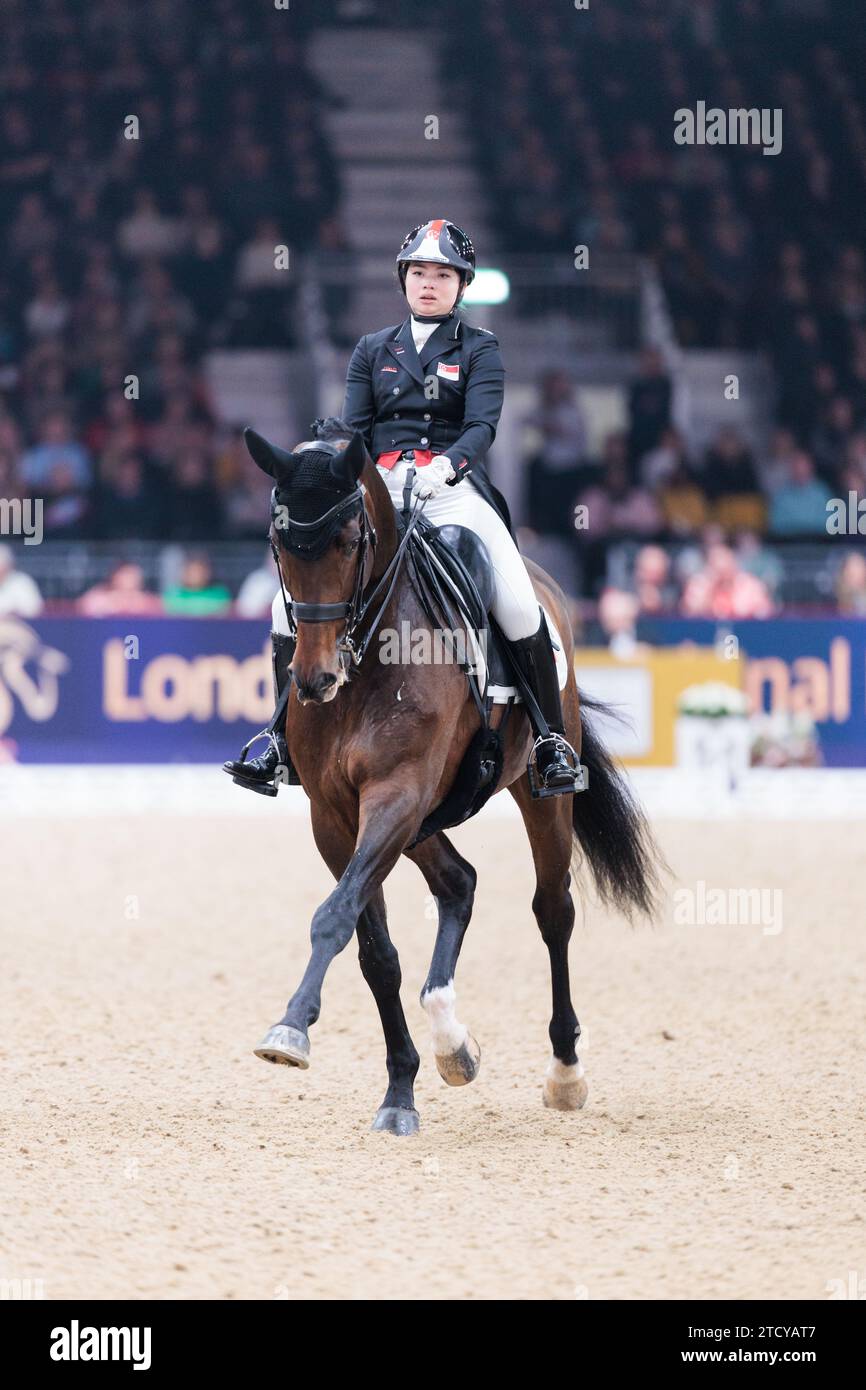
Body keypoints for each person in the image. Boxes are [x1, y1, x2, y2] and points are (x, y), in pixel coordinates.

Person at [224, 218, 582, 797]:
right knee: (279, 606)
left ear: (460, 286)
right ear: (404, 280)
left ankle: (549, 739)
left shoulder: (480, 349)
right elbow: (356, 432)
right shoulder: (372, 350)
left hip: (453, 489)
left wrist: (446, 467)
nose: (429, 283)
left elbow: (482, 426)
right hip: (381, 490)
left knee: (517, 600)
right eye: (419, 273)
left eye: (442, 275)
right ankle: (281, 741)